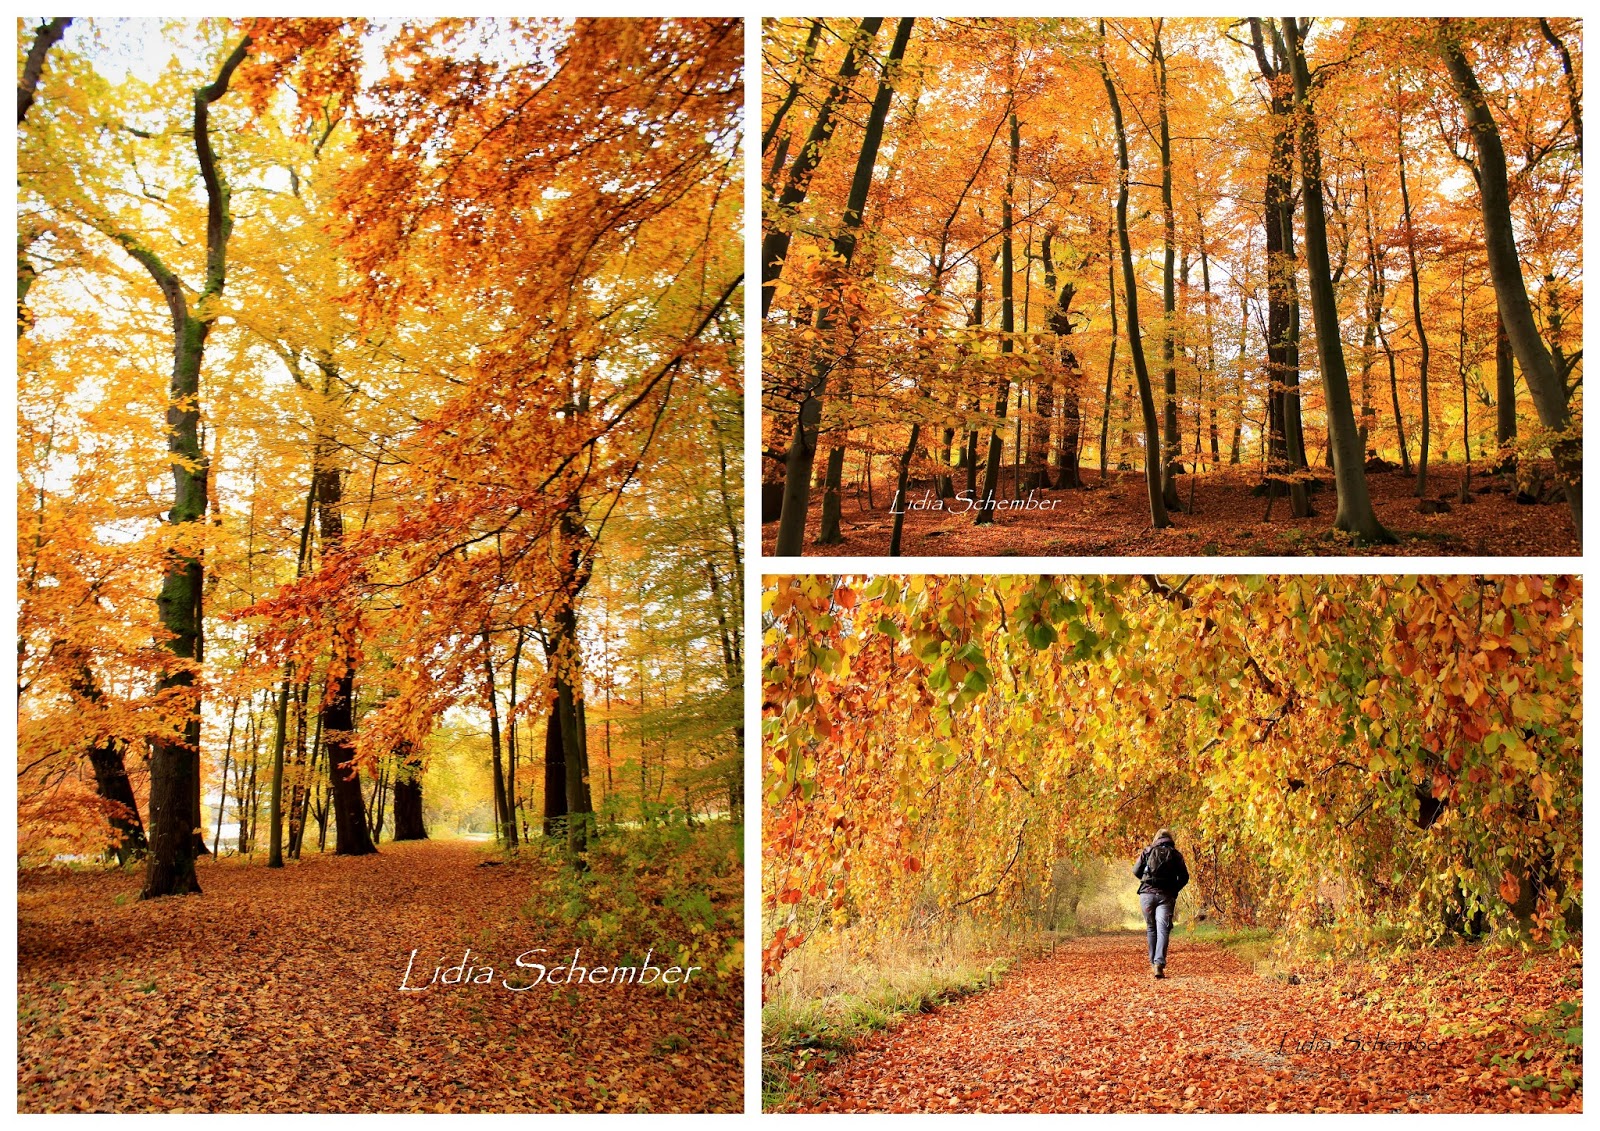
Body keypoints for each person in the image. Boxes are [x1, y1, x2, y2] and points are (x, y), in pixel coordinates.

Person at [1133, 828, 1189, 979]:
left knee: (1151, 928)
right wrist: (1173, 889)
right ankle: (1159, 963)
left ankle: (1153, 963)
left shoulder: (1148, 850)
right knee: (1163, 929)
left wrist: (1147, 879)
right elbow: (1184, 877)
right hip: (1166, 896)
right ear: (1170, 839)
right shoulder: (1176, 855)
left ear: (1156, 838)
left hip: (1147, 896)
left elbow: (1136, 871)